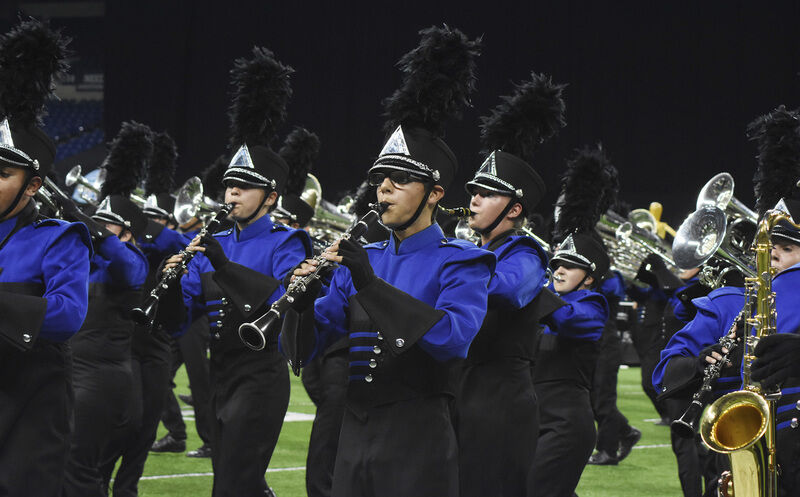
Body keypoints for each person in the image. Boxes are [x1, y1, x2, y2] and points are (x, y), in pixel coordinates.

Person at [283, 25, 490, 497]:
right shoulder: (365, 255)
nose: (384, 188)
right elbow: (305, 354)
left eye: (400, 179)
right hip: (351, 434)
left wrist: (368, 283)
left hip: (418, 438)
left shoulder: (462, 263)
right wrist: (300, 303)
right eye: (380, 178)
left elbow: (452, 341)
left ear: (435, 193)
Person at [159, 46, 311, 497]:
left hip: (261, 378)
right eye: (228, 184)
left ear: (270, 197)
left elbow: (281, 306)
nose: (231, 193)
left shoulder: (288, 242)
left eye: (243, 186)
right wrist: (164, 289)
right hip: (217, 375)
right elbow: (180, 319)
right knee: (233, 484)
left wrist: (222, 266)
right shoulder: (212, 242)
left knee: (233, 486)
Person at [455, 71, 565, 497]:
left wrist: (452, 261)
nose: (474, 199)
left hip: (501, 402)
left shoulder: (528, 255)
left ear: (515, 208)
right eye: (474, 191)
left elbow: (505, 291)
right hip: (464, 392)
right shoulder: (474, 250)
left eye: (487, 193)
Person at [0, 19, 92, 497]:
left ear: (33, 185)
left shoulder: (59, 237)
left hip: (32, 406)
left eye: (2, 172)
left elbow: (67, 316)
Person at [531, 144, 616, 497]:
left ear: (590, 277)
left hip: (566, 424)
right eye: (556, 264)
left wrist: (527, 280)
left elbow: (568, 321)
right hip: (528, 418)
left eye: (570, 265)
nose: (559, 269)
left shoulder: (592, 305)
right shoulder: (543, 299)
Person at [62, 194, 148, 497]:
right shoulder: (84, 260)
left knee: (78, 470)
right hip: (66, 372)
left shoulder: (134, 259)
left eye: (104, 224)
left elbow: (128, 268)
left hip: (100, 379)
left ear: (127, 233)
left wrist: (88, 225)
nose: (94, 228)